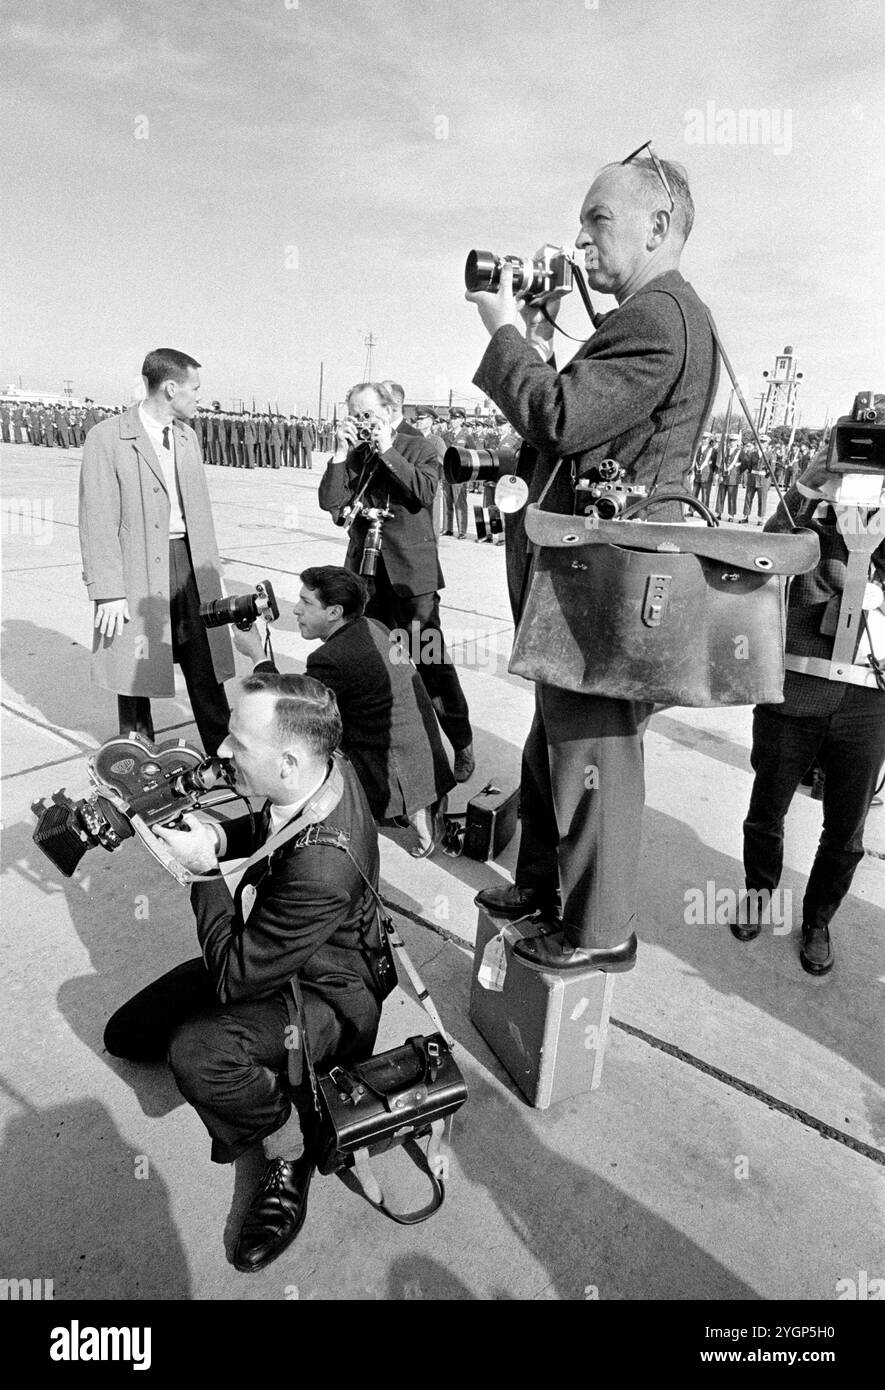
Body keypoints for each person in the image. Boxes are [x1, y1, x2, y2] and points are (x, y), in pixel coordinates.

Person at [466, 147, 718, 972]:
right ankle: (542, 887)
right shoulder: (645, 315)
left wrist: (503, 329)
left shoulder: (658, 315)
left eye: (596, 219)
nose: (580, 241)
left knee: (594, 760)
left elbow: (562, 419)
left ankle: (600, 929)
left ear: (657, 224)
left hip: (607, 588)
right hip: (582, 580)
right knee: (554, 749)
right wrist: (537, 339)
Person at [103, 671, 386, 1272]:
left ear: (286, 761)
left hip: (327, 995)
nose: (222, 751)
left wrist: (203, 871)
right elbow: (273, 825)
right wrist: (219, 834)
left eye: (237, 742)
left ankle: (287, 1149)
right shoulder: (322, 767)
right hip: (281, 952)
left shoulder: (322, 868)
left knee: (197, 1053)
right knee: (126, 1036)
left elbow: (233, 977)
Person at [733, 438, 885, 975]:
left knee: (846, 829)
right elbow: (764, 553)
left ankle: (818, 919)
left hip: (868, 699)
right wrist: (807, 483)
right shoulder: (809, 521)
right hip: (797, 688)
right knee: (766, 809)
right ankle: (758, 894)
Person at [78, 347, 234, 755]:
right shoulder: (107, 437)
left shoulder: (187, 437)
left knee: (206, 662)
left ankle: (225, 751)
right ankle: (138, 756)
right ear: (170, 388)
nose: (199, 396)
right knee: (135, 663)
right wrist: (107, 590)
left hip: (189, 564)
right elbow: (97, 519)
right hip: (137, 566)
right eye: (194, 388)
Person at [236, 566, 455, 855]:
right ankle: (420, 801)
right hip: (421, 760)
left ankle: (412, 809)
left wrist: (257, 656)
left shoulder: (331, 657)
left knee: (297, 748)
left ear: (335, 612)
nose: (296, 611)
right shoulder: (374, 626)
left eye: (306, 602)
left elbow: (287, 710)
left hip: (392, 769)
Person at [318, 381, 476, 781]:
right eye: (353, 414)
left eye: (367, 414)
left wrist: (387, 448)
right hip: (365, 576)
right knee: (373, 664)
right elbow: (331, 502)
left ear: (390, 411)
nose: (360, 422)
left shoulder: (420, 445)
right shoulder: (356, 454)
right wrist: (340, 453)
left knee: (430, 662)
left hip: (411, 579)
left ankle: (460, 740)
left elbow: (423, 491)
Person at [441, 408, 475, 537]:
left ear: (462, 420)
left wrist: (468, 475)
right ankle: (447, 528)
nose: (453, 421)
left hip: (459, 475)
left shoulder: (467, 436)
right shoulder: (445, 435)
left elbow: (473, 455)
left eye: (456, 418)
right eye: (452, 418)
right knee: (446, 501)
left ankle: (462, 530)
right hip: (446, 473)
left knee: (460, 502)